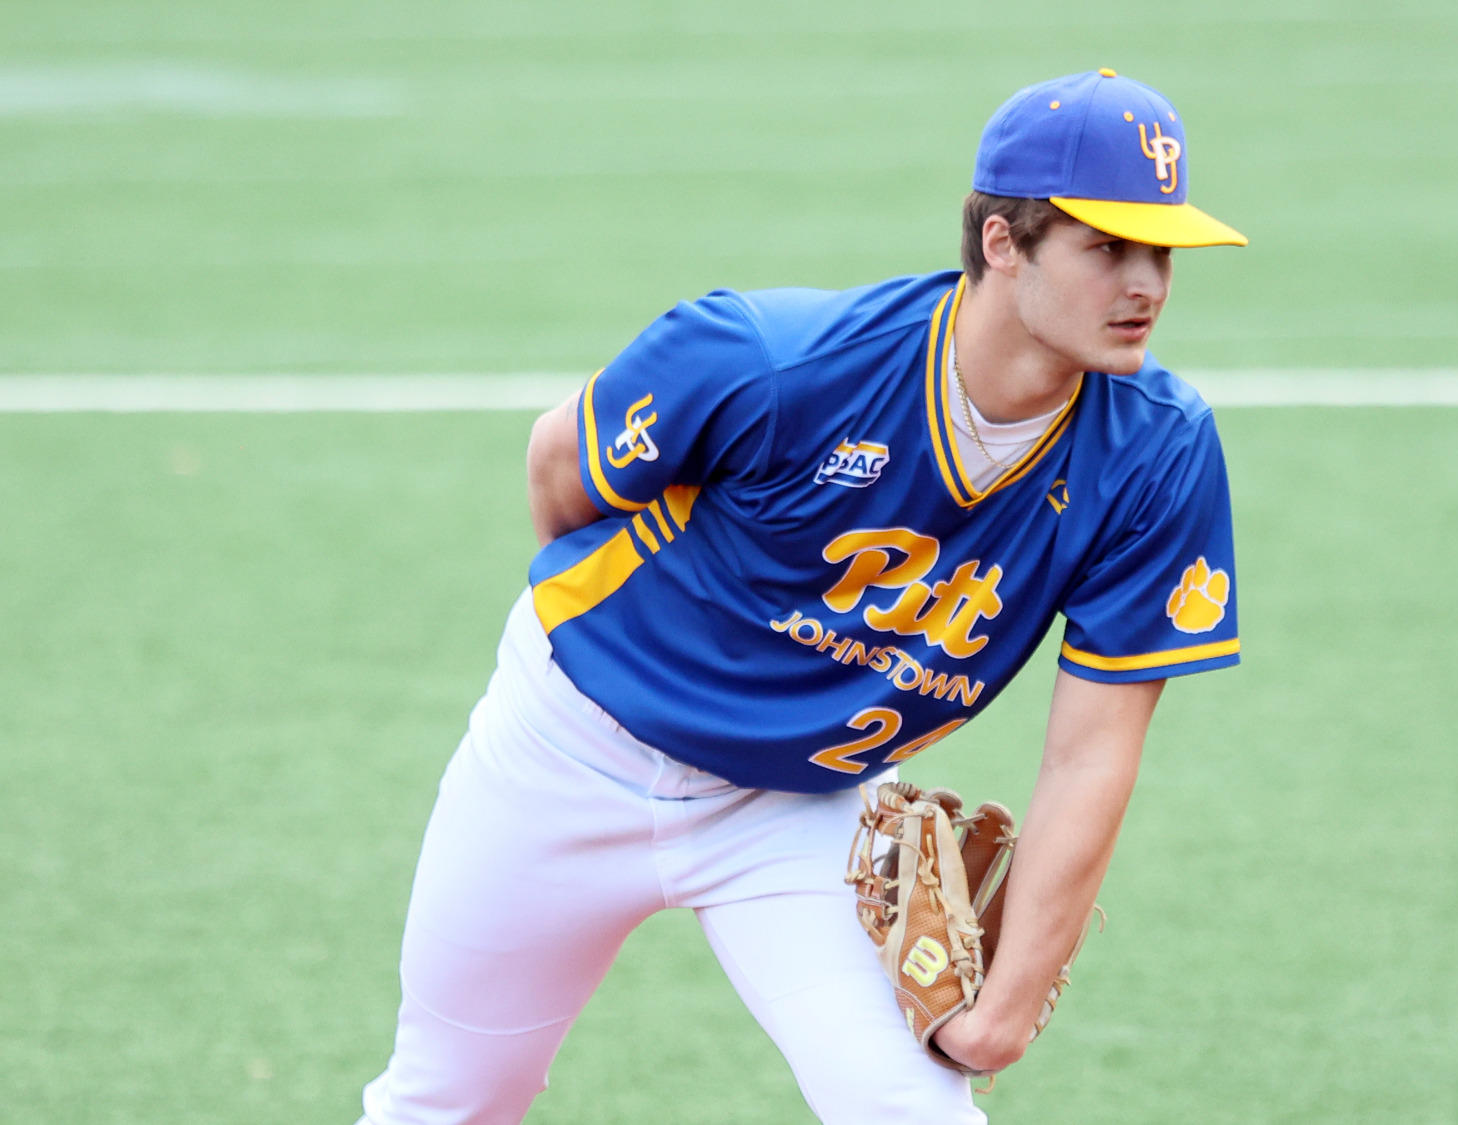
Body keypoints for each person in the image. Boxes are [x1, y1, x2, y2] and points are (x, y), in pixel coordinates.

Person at [356, 68, 1246, 1125]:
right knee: (447, 1101)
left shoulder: (1155, 451)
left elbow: (1091, 750)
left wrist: (1003, 1008)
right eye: (1106, 248)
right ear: (1002, 242)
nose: (1145, 283)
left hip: (799, 812)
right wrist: (627, 652)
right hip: (561, 756)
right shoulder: (776, 360)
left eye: (1162, 251)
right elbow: (562, 466)